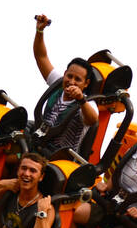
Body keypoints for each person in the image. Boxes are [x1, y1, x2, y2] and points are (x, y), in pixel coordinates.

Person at [32, 14, 98, 158]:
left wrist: (81, 100)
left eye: (78, 79)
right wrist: (40, 31)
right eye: (69, 76)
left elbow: (92, 119)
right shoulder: (58, 83)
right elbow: (41, 57)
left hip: (61, 158)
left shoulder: (89, 103)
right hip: (39, 144)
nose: (71, 82)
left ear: (86, 83)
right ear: (65, 74)